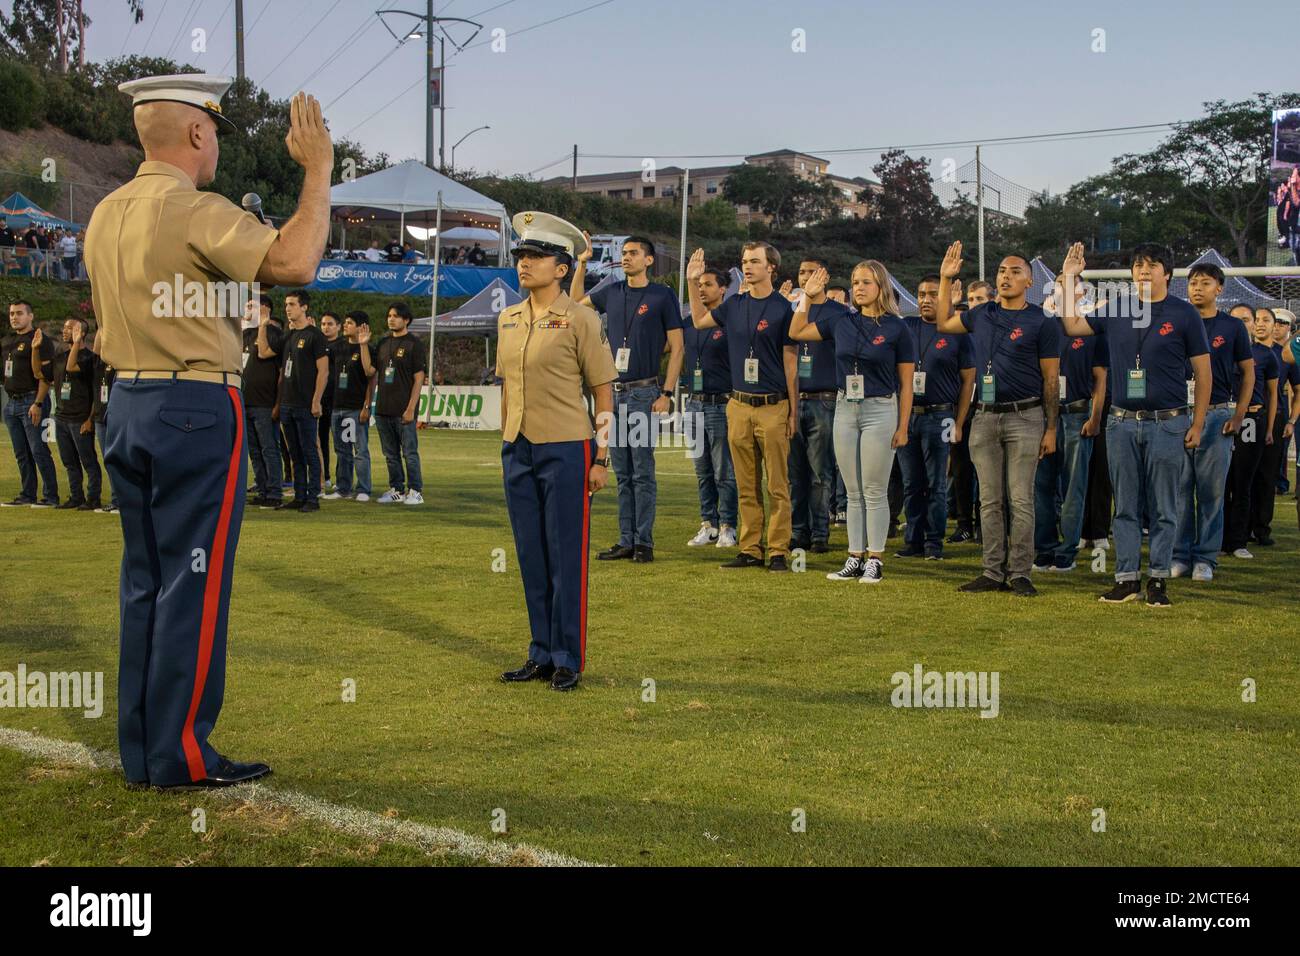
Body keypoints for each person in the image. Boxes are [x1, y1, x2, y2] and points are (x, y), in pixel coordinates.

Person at [87, 74, 332, 787]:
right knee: (193, 583)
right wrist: (317, 171)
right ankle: (180, 754)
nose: (217, 141)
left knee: (145, 582)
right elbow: (296, 260)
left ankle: (143, 750)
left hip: (126, 402)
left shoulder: (105, 212)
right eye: (216, 130)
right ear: (197, 133)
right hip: (193, 404)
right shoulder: (193, 208)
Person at [497, 211, 616, 692]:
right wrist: (506, 439)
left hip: (568, 448)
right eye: (521, 256)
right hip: (518, 449)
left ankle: (568, 656)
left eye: (535, 256)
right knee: (530, 553)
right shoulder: (506, 318)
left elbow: (604, 392)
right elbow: (508, 385)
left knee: (566, 555)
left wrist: (601, 457)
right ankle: (540, 652)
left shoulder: (581, 319)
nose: (524, 264)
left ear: (562, 267)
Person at [1057, 242, 1211, 607]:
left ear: (1167, 274)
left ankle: (1158, 579)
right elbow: (1072, 324)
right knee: (1124, 505)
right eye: (1139, 265)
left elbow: (1203, 374)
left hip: (1168, 423)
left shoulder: (1184, 314)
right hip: (1122, 422)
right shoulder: (1117, 308)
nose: (1144, 270)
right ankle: (1126, 579)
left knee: (1163, 507)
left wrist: (1199, 421)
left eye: (1152, 265)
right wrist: (1067, 276)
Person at [934, 244, 1061, 597]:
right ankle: (992, 571)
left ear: (1030, 281)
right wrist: (946, 279)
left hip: (1026, 415)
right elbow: (944, 321)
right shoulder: (982, 314)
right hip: (985, 417)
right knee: (989, 500)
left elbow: (1051, 378)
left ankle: (1020, 572)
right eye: (1002, 271)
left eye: (1015, 271)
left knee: (1020, 498)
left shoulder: (1042, 321)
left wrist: (1051, 428)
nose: (1006, 277)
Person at [790, 263, 915, 583]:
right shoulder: (840, 321)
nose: (859, 287)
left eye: (866, 282)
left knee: (874, 490)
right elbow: (796, 332)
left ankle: (875, 558)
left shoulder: (897, 328)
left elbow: (906, 383)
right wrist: (807, 296)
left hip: (880, 409)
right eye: (855, 282)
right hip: (845, 407)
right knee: (853, 490)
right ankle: (854, 556)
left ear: (881, 286)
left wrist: (902, 426)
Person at [686, 243, 798, 572]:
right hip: (737, 405)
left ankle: (778, 549)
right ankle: (750, 549)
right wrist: (693, 282)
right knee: (746, 484)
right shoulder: (733, 304)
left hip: (773, 405)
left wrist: (793, 411)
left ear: (771, 268)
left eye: (754, 262)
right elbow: (698, 320)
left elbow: (791, 366)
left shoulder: (783, 308)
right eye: (745, 262)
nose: (747, 267)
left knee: (777, 484)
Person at [572, 235, 684, 563]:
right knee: (620, 470)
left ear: (649, 260)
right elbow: (576, 302)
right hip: (614, 393)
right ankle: (626, 540)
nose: (627, 258)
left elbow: (678, 348)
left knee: (642, 471)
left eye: (634, 253)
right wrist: (581, 262)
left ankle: (644, 542)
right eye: (624, 253)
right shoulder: (612, 291)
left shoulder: (662, 295)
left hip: (644, 393)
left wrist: (666, 393)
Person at [1171, 267, 1253, 580]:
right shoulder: (1176, 321)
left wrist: (1239, 414)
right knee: (1179, 491)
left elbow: (1248, 372)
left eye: (1205, 283)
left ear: (1219, 288)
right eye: (1193, 283)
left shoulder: (1232, 327)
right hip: (1179, 414)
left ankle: (1205, 558)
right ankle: (1179, 555)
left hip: (1218, 416)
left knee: (1211, 493)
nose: (1198, 288)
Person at [898, 274, 975, 560]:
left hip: (941, 415)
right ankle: (913, 541)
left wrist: (959, 420)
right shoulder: (907, 327)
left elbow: (968, 381)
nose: (926, 300)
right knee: (911, 483)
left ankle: (934, 543)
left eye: (933, 294)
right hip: (908, 416)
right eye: (921, 294)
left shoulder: (957, 333)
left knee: (937, 484)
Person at [1032, 277, 1107, 572]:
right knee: (1042, 486)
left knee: (1074, 486)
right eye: (1058, 284)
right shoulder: (1043, 325)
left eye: (1068, 283)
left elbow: (1101, 378)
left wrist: (1095, 416)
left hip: (1077, 414)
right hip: (1044, 414)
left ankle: (1066, 553)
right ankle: (1044, 549)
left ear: (1082, 292)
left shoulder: (1090, 330)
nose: (1061, 289)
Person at [680, 266, 738, 549]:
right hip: (693, 404)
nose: (701, 289)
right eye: (699, 285)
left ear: (723, 288)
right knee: (702, 471)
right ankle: (709, 524)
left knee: (723, 471)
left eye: (708, 284)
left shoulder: (729, 322)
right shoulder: (689, 323)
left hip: (720, 404)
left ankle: (729, 525)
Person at [786, 259, 839, 555]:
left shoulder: (838, 313)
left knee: (821, 473)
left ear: (825, 276)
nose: (806, 277)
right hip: (796, 399)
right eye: (802, 272)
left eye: (812, 272)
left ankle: (820, 533)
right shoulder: (793, 311)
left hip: (824, 400)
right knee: (796, 475)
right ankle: (798, 532)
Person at [1222, 306, 1278, 560]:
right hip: (1221, 418)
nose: (1241, 324)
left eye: (1246, 320)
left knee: (1243, 482)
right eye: (1235, 320)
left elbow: (1272, 394)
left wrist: (1268, 428)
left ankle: (1238, 540)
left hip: (1250, 420)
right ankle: (1218, 539)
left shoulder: (1265, 355)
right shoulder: (1217, 348)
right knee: (1220, 484)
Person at [1, 301, 59, 506]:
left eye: (19, 313)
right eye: (11, 314)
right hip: (12, 404)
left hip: (32, 401)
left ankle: (51, 496)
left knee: (38, 450)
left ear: (30, 316)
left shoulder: (40, 340)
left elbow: (45, 377)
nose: (14, 317)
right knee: (21, 453)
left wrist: (38, 403)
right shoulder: (8, 341)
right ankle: (27, 494)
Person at [276, 290, 328, 511]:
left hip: (305, 404)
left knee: (309, 451)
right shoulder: (288, 336)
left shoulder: (315, 335)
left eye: (292, 304)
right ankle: (299, 496)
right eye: (286, 304)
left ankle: (313, 497)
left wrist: (316, 400)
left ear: (304, 307)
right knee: (294, 453)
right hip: (287, 403)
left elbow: (323, 371)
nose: (288, 308)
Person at [947, 279, 990, 544]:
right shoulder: (961, 331)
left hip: (989, 407)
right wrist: (950, 306)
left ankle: (986, 525)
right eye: (971, 300)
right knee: (961, 469)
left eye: (980, 300)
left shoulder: (995, 329)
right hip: (963, 407)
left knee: (987, 472)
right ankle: (964, 524)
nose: (973, 305)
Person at [374, 301, 426, 504]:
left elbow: (419, 378)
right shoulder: (383, 343)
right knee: (390, 454)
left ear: (406, 320)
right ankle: (396, 489)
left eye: (395, 316)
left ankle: (415, 491)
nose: (391, 319)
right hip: (383, 408)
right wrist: (362, 344)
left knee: (409, 452)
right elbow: (372, 373)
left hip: (404, 409)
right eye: (389, 315)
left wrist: (411, 408)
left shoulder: (414, 344)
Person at [324, 310, 376, 501]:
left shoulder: (369, 349)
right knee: (342, 450)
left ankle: (363, 489)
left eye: (349, 323)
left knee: (359, 450)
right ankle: (343, 488)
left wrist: (366, 406)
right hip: (337, 407)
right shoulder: (338, 347)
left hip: (355, 408)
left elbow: (370, 375)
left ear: (362, 327)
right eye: (345, 322)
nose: (345, 325)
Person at [51, 317, 102, 510]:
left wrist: (89, 419)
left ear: (81, 333)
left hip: (80, 418)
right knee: (69, 462)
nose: (64, 331)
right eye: (64, 327)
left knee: (88, 461)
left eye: (70, 328)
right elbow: (41, 375)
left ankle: (93, 498)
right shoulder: (60, 356)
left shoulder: (89, 359)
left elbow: (74, 371)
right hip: (62, 417)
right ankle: (76, 496)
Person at [242, 293, 285, 508]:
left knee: (269, 448)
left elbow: (267, 358)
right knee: (254, 450)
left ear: (265, 308)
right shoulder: (244, 334)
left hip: (265, 403)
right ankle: (262, 488)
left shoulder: (274, 333)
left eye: (252, 305)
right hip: (245, 401)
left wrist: (278, 403)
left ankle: (275, 492)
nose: (247, 309)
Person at [1247, 307, 1285, 548]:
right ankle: (1242, 527)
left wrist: (1288, 422)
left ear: (1275, 326)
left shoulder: (1286, 355)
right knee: (1244, 475)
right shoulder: (1243, 352)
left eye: (1266, 320)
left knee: (1266, 475)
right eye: (1256, 320)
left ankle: (1262, 528)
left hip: (1275, 417)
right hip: (1248, 417)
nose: (1260, 324)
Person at [89, 331, 120, 514]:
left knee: (119, 460)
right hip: (101, 417)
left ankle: (122, 500)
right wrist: (102, 323)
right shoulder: (98, 364)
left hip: (116, 416)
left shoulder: (120, 364)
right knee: (108, 461)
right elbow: (95, 351)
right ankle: (116, 500)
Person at [1271, 308, 1300, 495]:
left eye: (1283, 323)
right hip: (1256, 407)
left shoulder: (1289, 354)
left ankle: (1281, 483)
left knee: (1280, 450)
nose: (1278, 327)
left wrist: (1291, 419)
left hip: (1280, 406)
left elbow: (1296, 389)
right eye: (1276, 322)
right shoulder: (1253, 350)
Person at [319, 309, 344, 491]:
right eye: (323, 324)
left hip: (338, 401)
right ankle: (325, 476)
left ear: (338, 327)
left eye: (329, 324)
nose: (326, 327)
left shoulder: (343, 346)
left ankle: (342, 480)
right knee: (320, 440)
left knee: (340, 442)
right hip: (320, 399)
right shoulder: (318, 345)